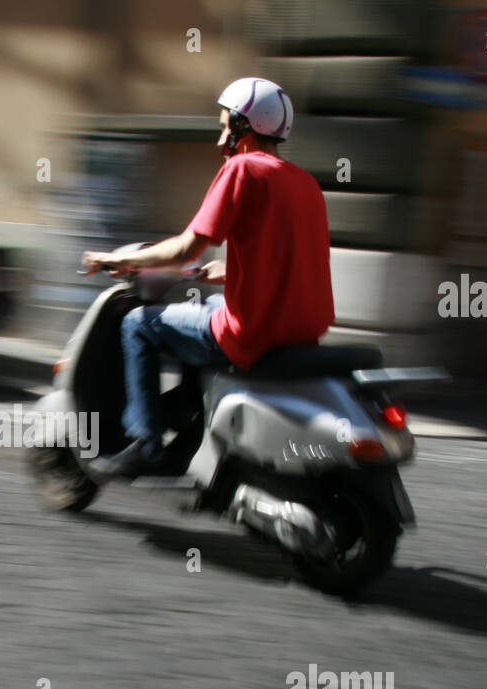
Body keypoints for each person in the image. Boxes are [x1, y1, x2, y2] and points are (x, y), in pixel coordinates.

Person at [80, 77, 336, 477]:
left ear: (242, 125)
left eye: (224, 127)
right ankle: (188, 408)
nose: (220, 141)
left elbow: (186, 248)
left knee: (137, 324)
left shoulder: (242, 169)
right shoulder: (306, 184)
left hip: (253, 333)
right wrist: (232, 272)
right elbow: (293, 257)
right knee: (202, 306)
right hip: (302, 330)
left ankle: (146, 441)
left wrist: (121, 260)